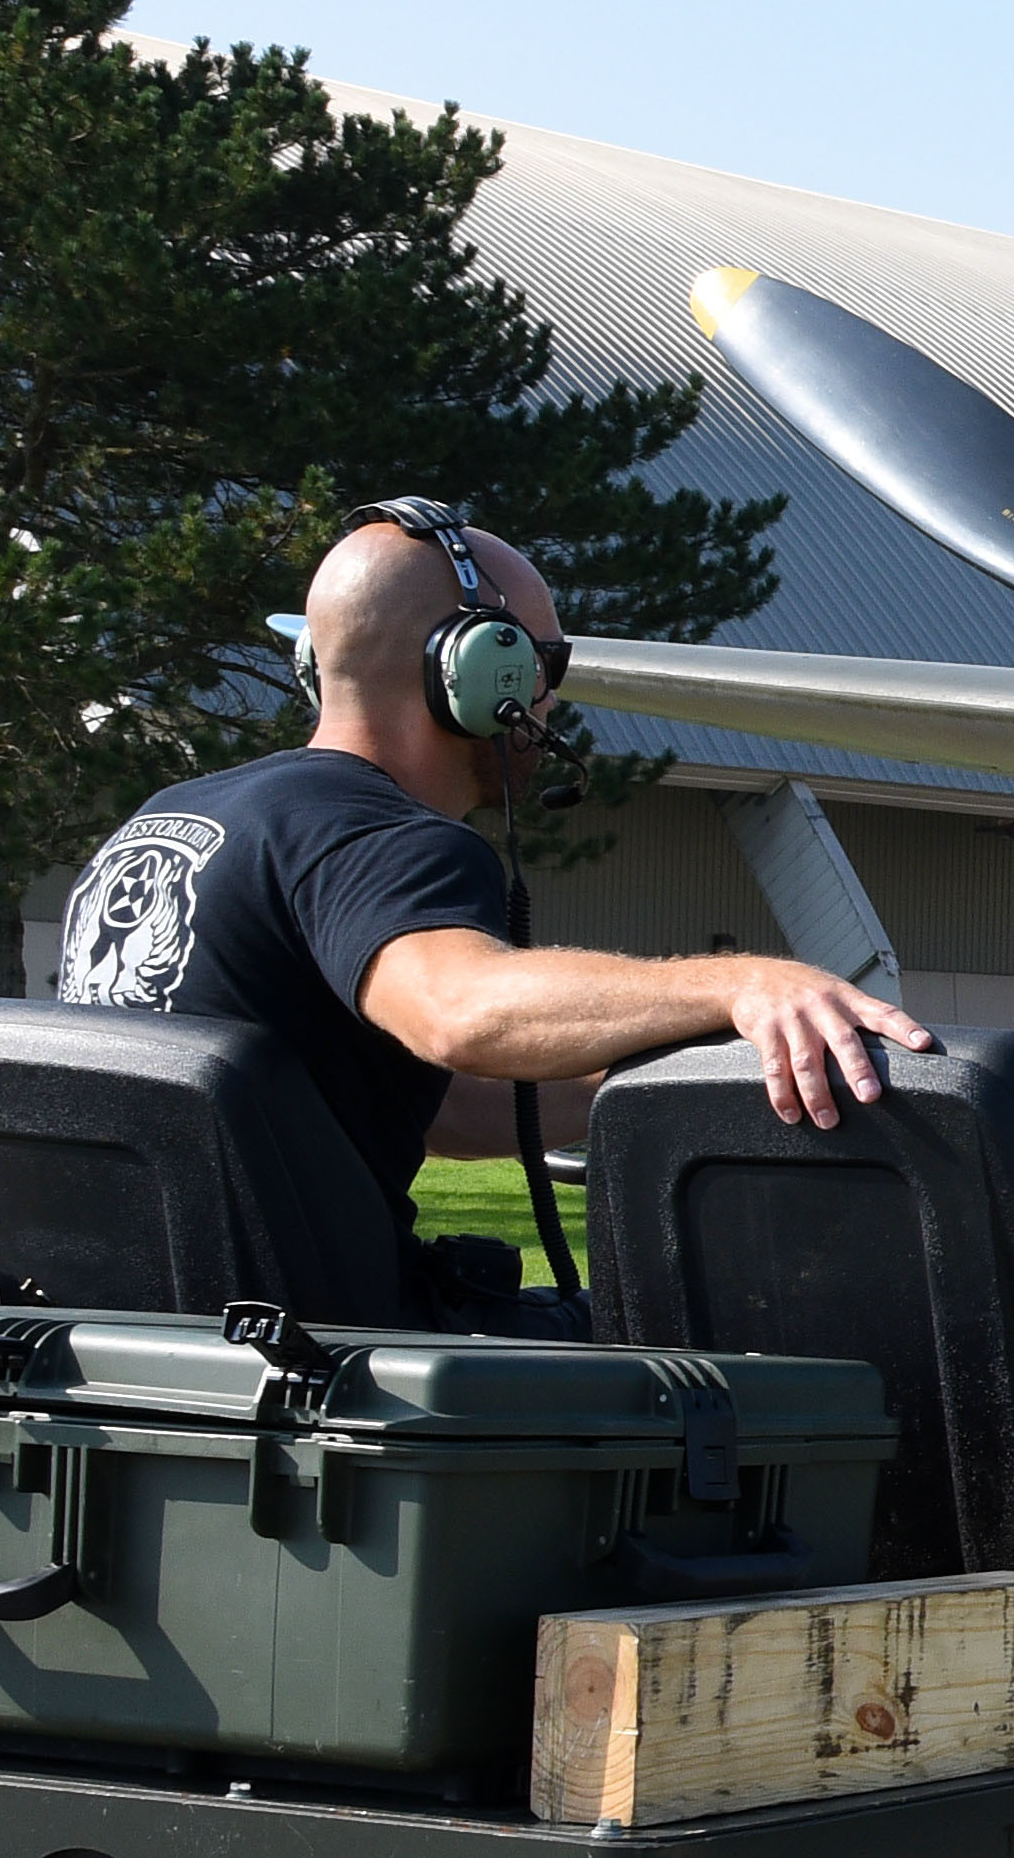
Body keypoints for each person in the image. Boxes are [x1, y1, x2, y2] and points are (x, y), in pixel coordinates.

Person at [46, 502, 931, 1288]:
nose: (549, 702)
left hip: (128, 1323)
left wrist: (685, 1066)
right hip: (309, 1355)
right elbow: (459, 1014)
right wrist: (741, 982)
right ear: (478, 672)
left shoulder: (176, 818)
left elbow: (451, 1101)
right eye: (544, 662)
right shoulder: (383, 837)